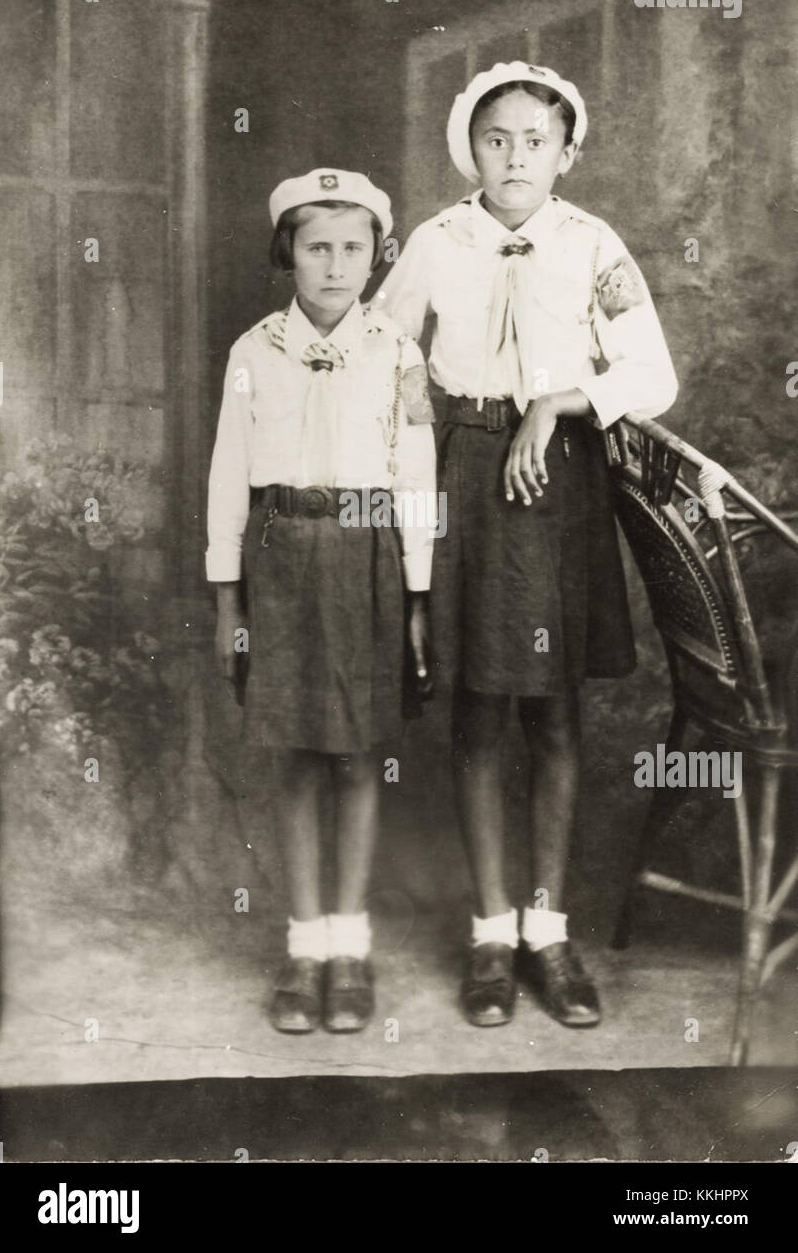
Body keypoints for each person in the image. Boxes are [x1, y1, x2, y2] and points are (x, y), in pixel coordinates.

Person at [374, 61, 677, 1028]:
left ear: (567, 152)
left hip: (558, 485)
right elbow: (384, 349)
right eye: (497, 138)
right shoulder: (435, 240)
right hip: (465, 476)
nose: (515, 157)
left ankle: (548, 933)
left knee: (550, 710)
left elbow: (653, 370)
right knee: (477, 709)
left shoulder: (594, 245)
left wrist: (556, 401)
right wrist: (426, 425)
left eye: (535, 141)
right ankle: (490, 936)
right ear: (471, 146)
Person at [206, 168, 436, 1034]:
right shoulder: (251, 350)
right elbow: (230, 473)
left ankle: (351, 949)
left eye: (353, 248)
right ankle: (304, 950)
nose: (336, 266)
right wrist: (228, 599)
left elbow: (417, 475)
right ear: (287, 254)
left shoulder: (402, 355)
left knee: (357, 754)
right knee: (298, 756)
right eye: (316, 248)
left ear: (378, 256)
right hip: (279, 557)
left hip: (372, 555)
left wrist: (417, 596)